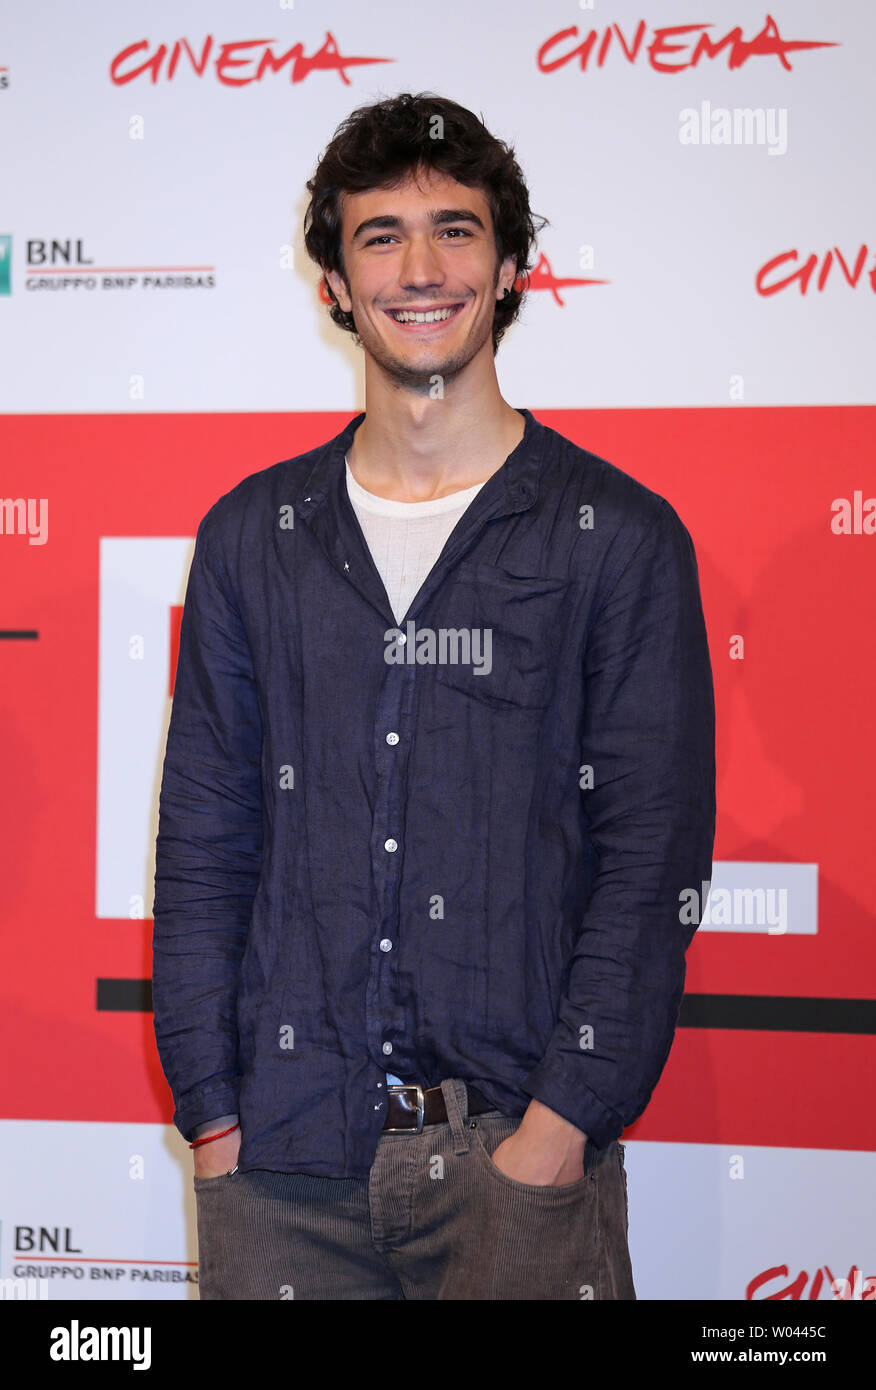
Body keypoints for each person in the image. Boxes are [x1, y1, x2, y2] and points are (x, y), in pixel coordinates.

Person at [152, 91, 716, 1301]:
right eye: (380, 235)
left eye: (456, 231)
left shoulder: (615, 539)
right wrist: (214, 1121)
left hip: (517, 1172)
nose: (421, 268)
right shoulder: (254, 538)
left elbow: (649, 861)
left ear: (511, 268)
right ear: (334, 286)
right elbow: (204, 846)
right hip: (280, 1176)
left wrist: (553, 1139)